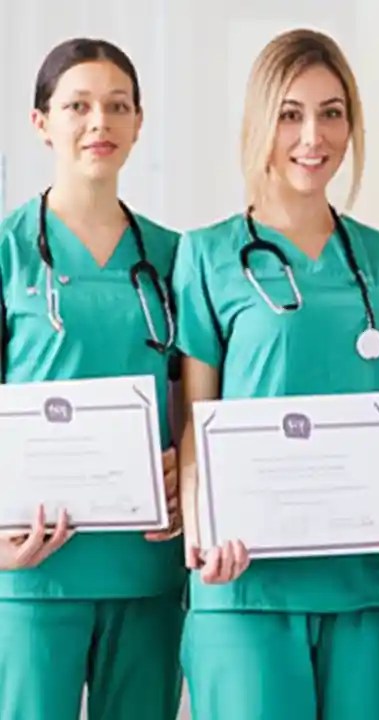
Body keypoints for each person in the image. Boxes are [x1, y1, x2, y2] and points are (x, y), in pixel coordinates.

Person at [173, 28, 379, 719]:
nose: (314, 135)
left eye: (332, 112)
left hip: (366, 578)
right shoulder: (208, 255)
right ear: (259, 123)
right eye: (290, 113)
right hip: (245, 580)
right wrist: (201, 527)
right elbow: (196, 424)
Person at [0, 38, 184, 720]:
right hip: (32, 568)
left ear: (139, 123)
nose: (99, 123)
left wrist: (187, 466)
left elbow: (197, 401)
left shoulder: (173, 257)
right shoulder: (9, 251)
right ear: (41, 122)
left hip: (145, 568)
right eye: (77, 106)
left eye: (117, 106)